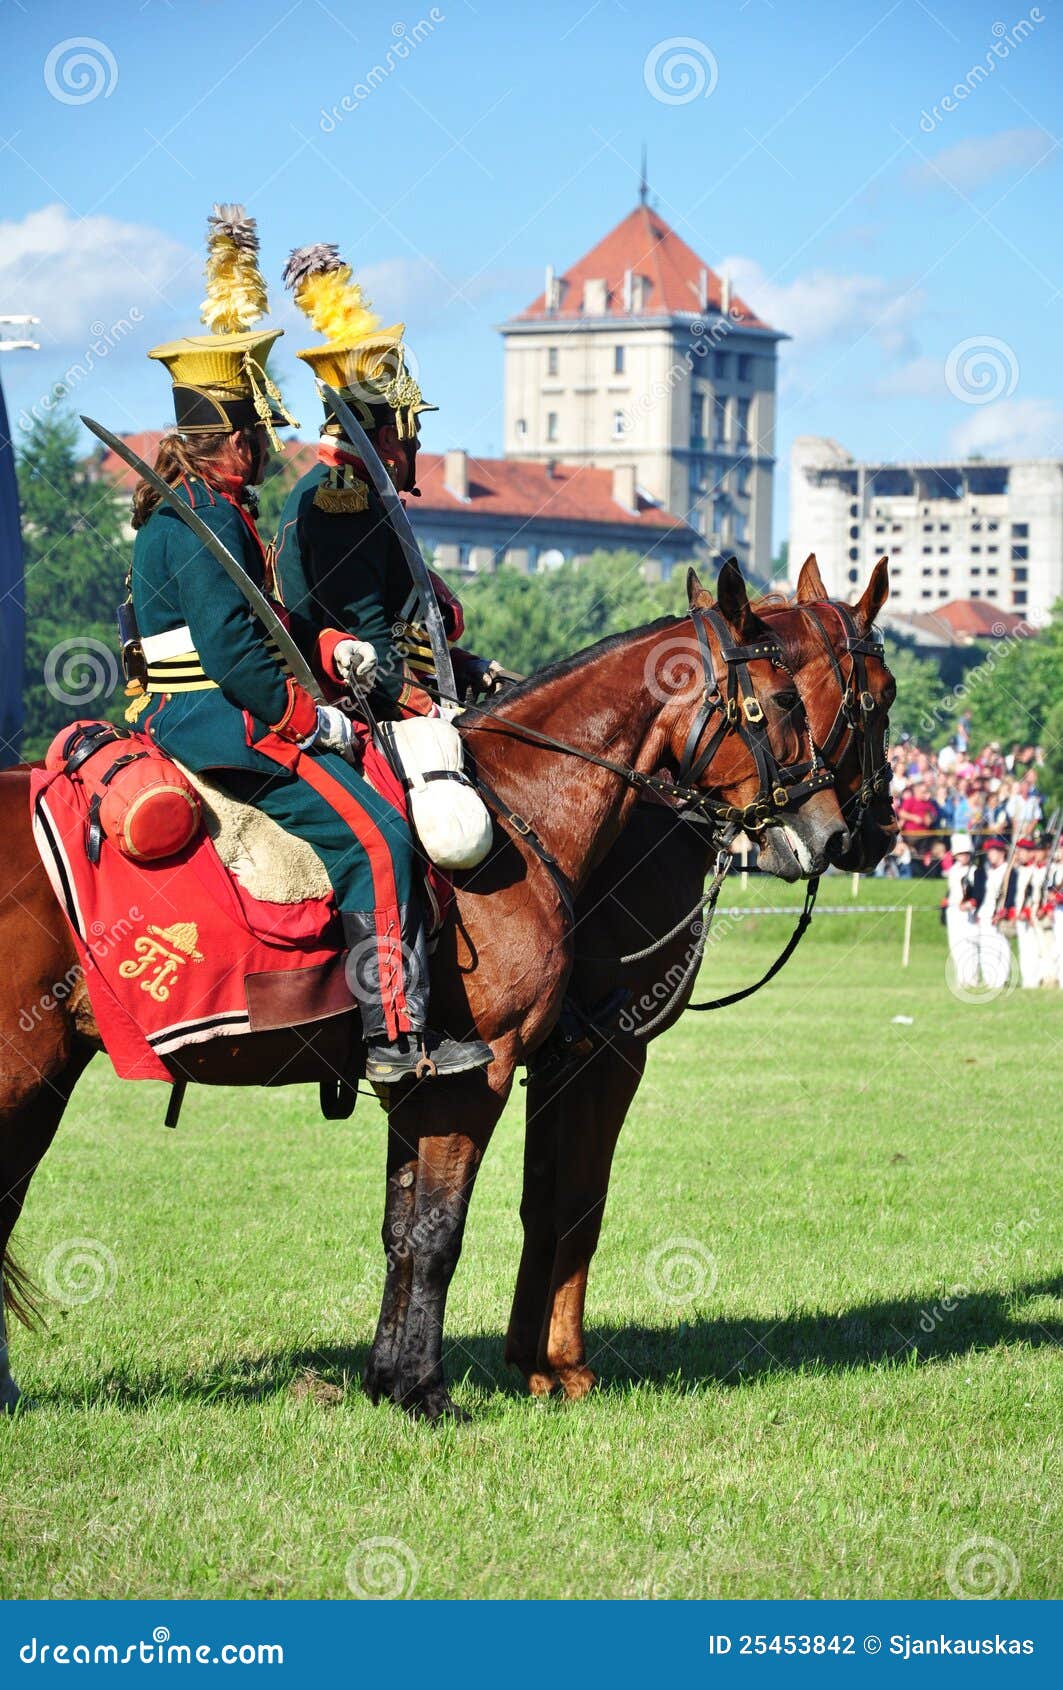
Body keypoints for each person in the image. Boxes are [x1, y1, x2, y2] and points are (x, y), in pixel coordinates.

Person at [130, 205, 489, 1083]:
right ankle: (393, 1037)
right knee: (379, 837)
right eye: (257, 433)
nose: (266, 447)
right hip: (212, 715)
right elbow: (231, 649)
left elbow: (271, 622)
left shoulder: (214, 510)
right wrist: (307, 717)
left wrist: (327, 652)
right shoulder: (203, 516)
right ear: (235, 439)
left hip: (224, 703)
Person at [966, 837, 1014, 992]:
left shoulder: (1008, 871)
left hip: (1000, 914)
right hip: (984, 914)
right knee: (986, 948)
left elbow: (1011, 893)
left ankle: (1001, 979)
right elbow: (979, 893)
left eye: (993, 851)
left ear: (1001, 853)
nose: (990, 854)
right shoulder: (984, 871)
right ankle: (990, 979)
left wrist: (1004, 910)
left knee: (1001, 947)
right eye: (990, 851)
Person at [943, 832, 978, 990]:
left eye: (966, 853)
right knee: (955, 944)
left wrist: (969, 903)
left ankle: (972, 978)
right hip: (953, 910)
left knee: (969, 944)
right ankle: (961, 977)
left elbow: (975, 893)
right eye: (961, 854)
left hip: (968, 912)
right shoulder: (953, 871)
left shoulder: (974, 870)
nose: (964, 856)